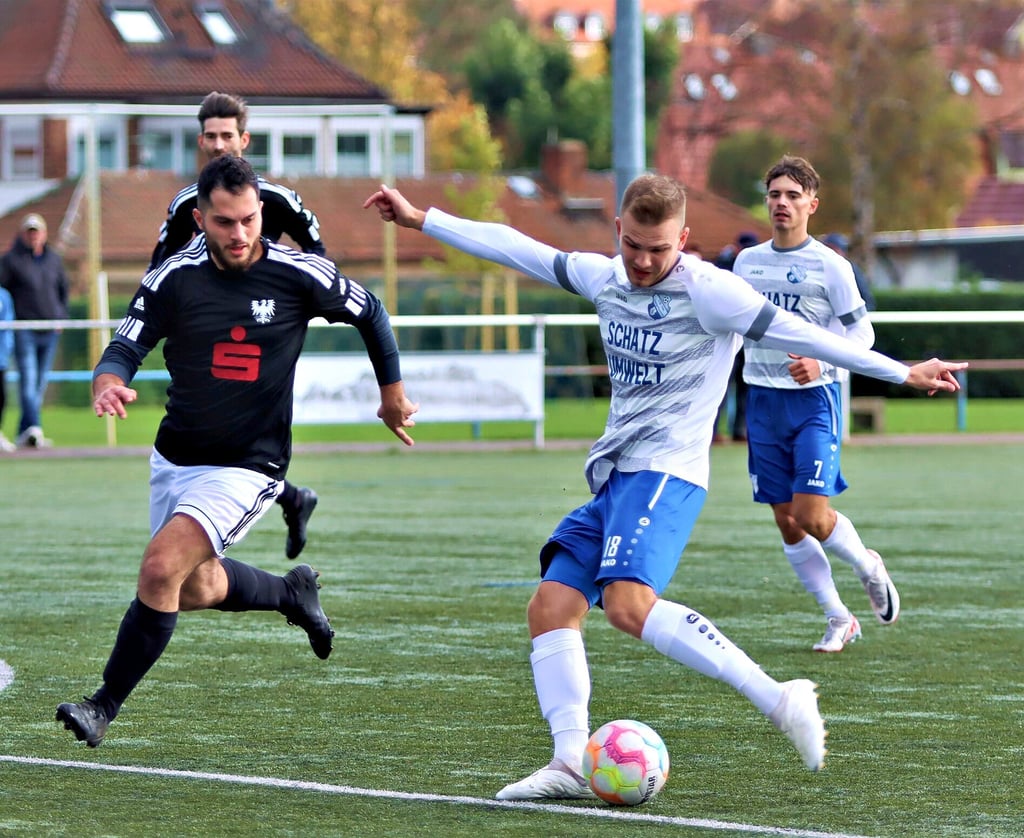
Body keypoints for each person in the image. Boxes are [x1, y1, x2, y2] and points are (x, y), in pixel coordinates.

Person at [364, 176, 964, 799]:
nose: (645, 262)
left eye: (659, 249)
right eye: (634, 248)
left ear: (684, 238)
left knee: (627, 606)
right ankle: (571, 760)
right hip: (618, 472)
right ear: (618, 233)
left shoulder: (711, 291)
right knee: (551, 607)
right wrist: (419, 219)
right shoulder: (604, 277)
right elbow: (517, 246)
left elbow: (803, 334)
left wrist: (902, 372)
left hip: (668, 472)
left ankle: (779, 698)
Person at [55, 155, 418, 748]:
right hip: (176, 458)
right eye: (225, 222)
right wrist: (106, 381)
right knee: (191, 588)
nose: (241, 233)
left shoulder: (297, 273)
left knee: (158, 569)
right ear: (200, 219)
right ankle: (290, 592)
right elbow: (124, 345)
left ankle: (102, 705)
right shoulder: (174, 276)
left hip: (250, 464)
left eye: (249, 219)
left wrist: (393, 396)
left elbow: (369, 310)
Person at [151, 91, 327, 559]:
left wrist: (290, 312)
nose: (218, 144)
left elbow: (319, 259)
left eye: (227, 134)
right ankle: (292, 497)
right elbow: (158, 273)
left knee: (242, 433)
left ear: (244, 139)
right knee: (213, 428)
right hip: (206, 342)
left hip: (262, 335)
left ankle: (286, 495)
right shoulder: (185, 204)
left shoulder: (278, 200)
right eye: (210, 136)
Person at [733, 156, 892, 653]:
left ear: (812, 205)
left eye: (792, 195)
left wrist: (822, 365)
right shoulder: (746, 263)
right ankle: (838, 616)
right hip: (761, 402)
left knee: (811, 514)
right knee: (786, 519)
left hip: (813, 403)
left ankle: (867, 564)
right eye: (775, 194)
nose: (781, 203)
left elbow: (861, 333)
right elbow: (731, 329)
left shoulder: (832, 266)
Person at [0, 213, 70, 448]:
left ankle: (25, 432)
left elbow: (63, 290)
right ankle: (35, 428)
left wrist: (61, 317)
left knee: (39, 383)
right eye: (29, 231)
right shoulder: (11, 260)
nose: (33, 235)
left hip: (49, 329)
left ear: (44, 233)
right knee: (28, 381)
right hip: (24, 329)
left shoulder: (53, 259)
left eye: (37, 231)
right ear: (23, 234)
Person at [713, 232, 758, 442]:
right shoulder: (723, 266)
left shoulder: (756, 268)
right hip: (727, 335)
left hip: (748, 336)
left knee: (744, 386)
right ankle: (712, 431)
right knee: (720, 385)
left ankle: (740, 430)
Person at [822, 232, 876, 311]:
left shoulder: (851, 270)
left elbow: (868, 302)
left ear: (842, 252)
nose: (829, 253)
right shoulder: (816, 269)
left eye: (833, 249)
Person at [0, 283, 15, 452]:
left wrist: (5, 351)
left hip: (0, 358)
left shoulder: (3, 295)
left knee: (1, 397)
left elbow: (9, 325)